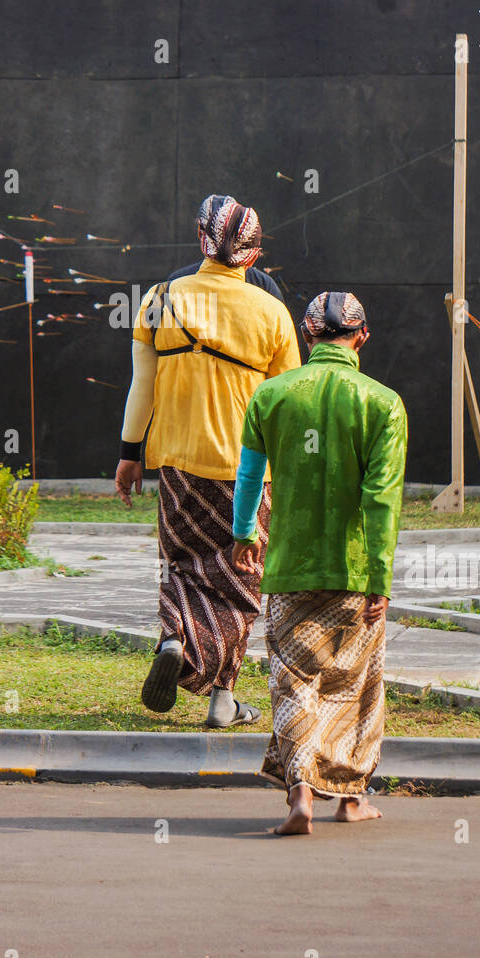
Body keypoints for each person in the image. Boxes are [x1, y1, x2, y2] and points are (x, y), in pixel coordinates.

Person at [115, 194, 301, 727]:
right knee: (239, 578)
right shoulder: (271, 312)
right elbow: (284, 404)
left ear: (201, 237)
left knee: (179, 563)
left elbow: (142, 387)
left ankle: (175, 638)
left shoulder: (159, 298)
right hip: (246, 470)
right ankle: (222, 700)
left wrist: (131, 456)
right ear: (253, 253)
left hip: (175, 462)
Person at [231, 290, 407, 834]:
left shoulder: (272, 396)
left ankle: (300, 793)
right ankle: (351, 800)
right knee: (355, 688)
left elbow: (248, 476)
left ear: (307, 337)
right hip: (354, 574)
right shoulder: (383, 403)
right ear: (362, 336)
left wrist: (243, 533)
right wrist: (379, 577)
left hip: (289, 570)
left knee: (293, 682)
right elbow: (381, 499)